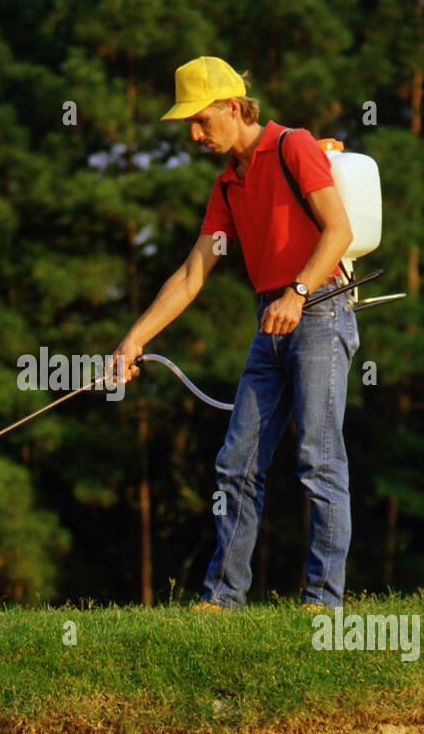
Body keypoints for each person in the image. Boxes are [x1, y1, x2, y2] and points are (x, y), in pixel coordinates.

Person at [110, 55, 359, 612]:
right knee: (235, 462)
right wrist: (135, 338)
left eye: (200, 120)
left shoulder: (292, 146)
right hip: (271, 319)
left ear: (231, 104)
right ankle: (223, 600)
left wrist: (296, 293)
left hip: (319, 311)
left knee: (319, 457)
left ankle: (323, 601)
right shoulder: (226, 185)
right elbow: (193, 272)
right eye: (188, 126)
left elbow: (338, 231)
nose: (195, 135)